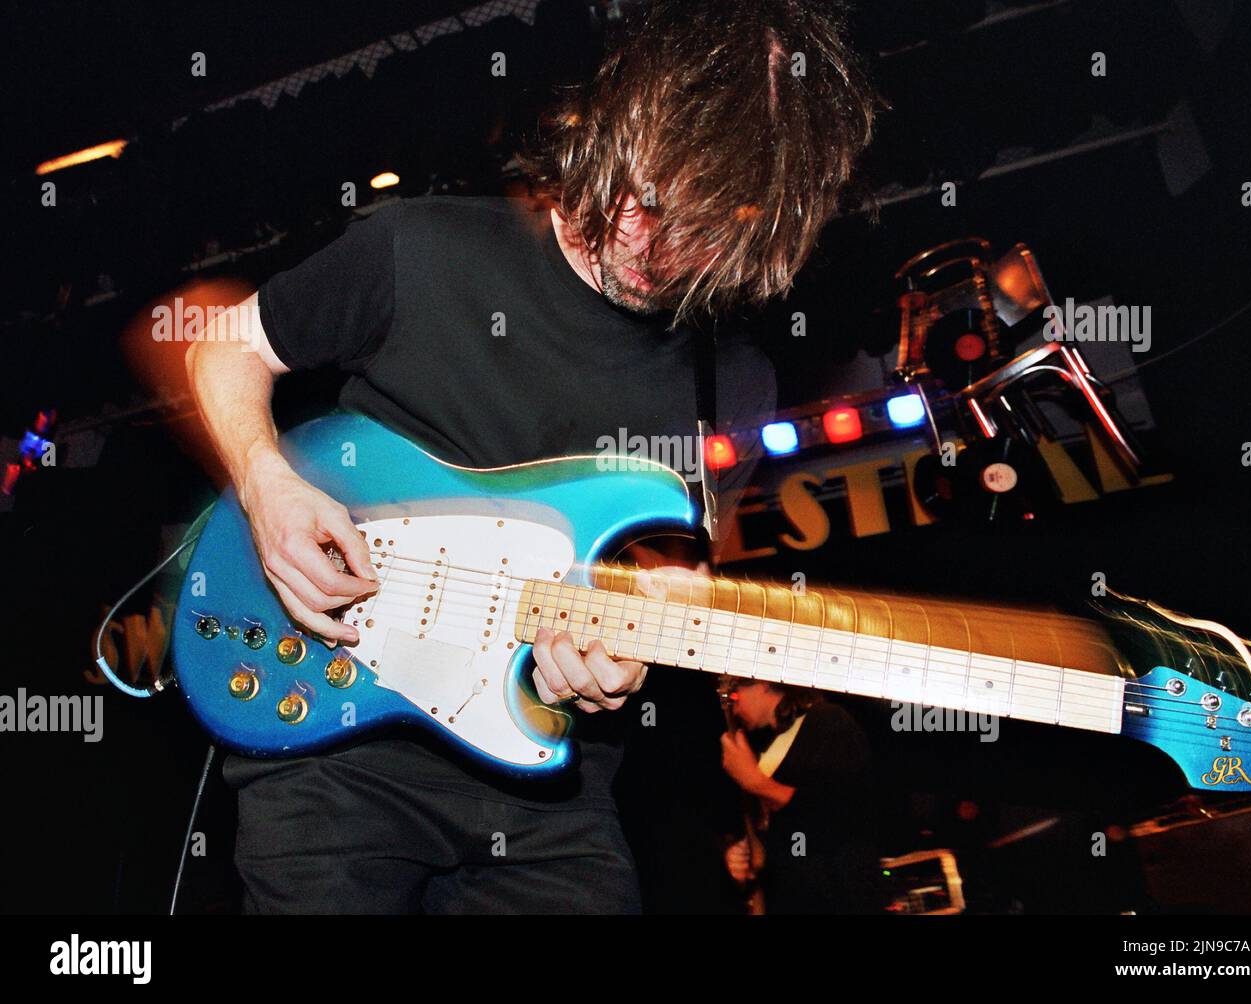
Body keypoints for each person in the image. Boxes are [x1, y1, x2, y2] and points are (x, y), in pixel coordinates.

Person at [184, 0, 878, 914]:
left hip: (548, 791)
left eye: (701, 229)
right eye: (646, 197)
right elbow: (222, 347)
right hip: (336, 743)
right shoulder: (423, 247)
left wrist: (611, 671)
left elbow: (652, 591)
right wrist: (269, 488)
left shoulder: (735, 388)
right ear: (612, 130)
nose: (649, 244)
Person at [721, 679, 884, 913]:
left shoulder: (829, 721)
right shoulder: (767, 748)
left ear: (762, 683)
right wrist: (742, 855)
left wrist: (756, 783)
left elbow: (839, 813)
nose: (734, 710)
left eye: (735, 696)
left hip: (838, 900)